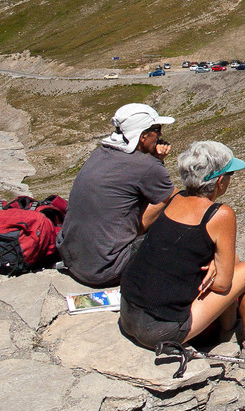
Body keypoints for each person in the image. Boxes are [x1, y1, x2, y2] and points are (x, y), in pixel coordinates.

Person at [118, 141, 245, 354]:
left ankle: (226, 334)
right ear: (220, 181)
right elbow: (223, 286)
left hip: (129, 316)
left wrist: (216, 264)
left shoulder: (176, 198)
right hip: (161, 331)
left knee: (230, 260)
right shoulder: (220, 214)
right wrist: (218, 267)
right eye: (230, 175)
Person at [58, 103, 177, 288]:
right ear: (143, 135)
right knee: (178, 207)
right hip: (106, 269)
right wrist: (157, 162)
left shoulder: (99, 154)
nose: (160, 135)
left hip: (73, 261)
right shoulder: (147, 165)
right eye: (157, 129)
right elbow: (170, 198)